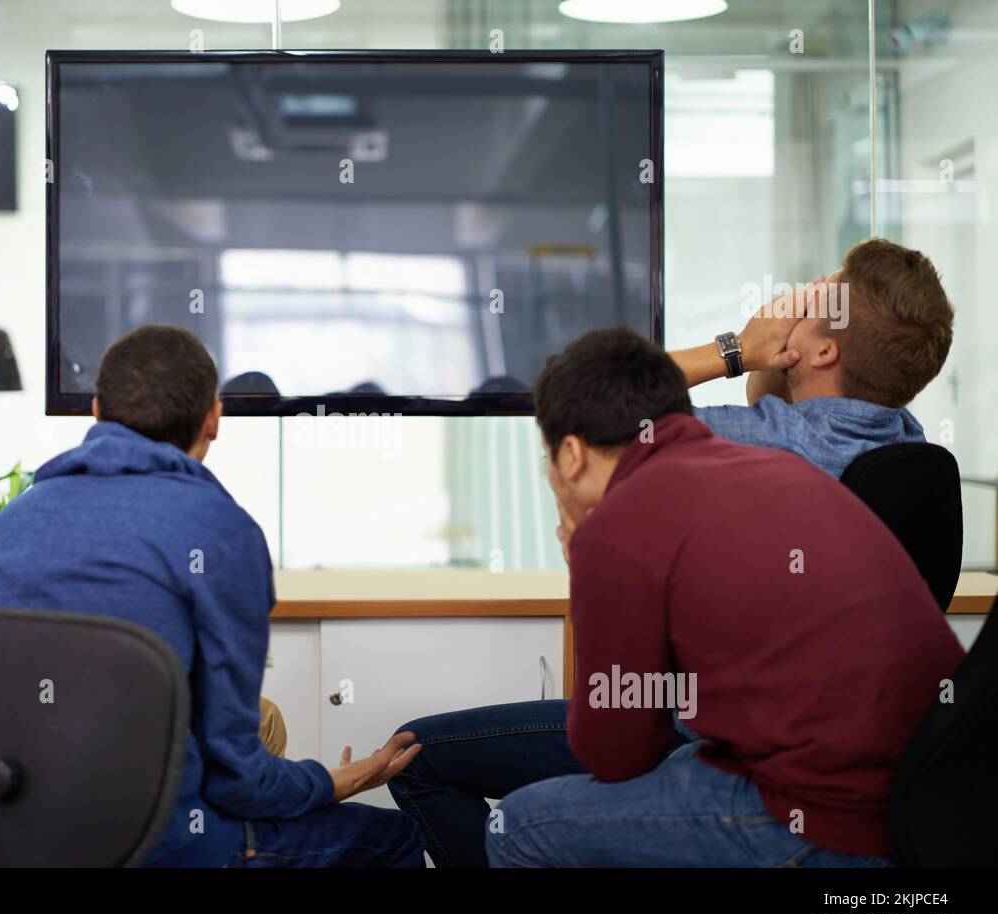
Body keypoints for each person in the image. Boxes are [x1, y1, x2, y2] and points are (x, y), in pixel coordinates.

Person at [389, 239, 957, 867]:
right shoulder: (905, 448)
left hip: (799, 794)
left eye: (820, 296)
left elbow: (603, 400)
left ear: (572, 455)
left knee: (511, 827)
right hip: (913, 781)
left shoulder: (744, 451)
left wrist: (739, 350)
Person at [0, 325, 425, 867]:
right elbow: (238, 783)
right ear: (213, 418)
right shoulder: (222, 532)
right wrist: (333, 781)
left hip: (10, 830)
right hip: (153, 842)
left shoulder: (14, 524)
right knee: (395, 838)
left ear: (95, 412)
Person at [495, 328, 957, 865]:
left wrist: (586, 569)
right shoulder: (779, 466)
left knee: (516, 826)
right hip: (938, 792)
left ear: (570, 455)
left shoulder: (617, 529)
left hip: (836, 821)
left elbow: (615, 755)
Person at [671, 237, 954, 479]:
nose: (793, 309)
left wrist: (740, 349)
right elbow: (775, 402)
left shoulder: (775, 439)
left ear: (824, 352)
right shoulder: (905, 434)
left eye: (809, 305)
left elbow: (629, 407)